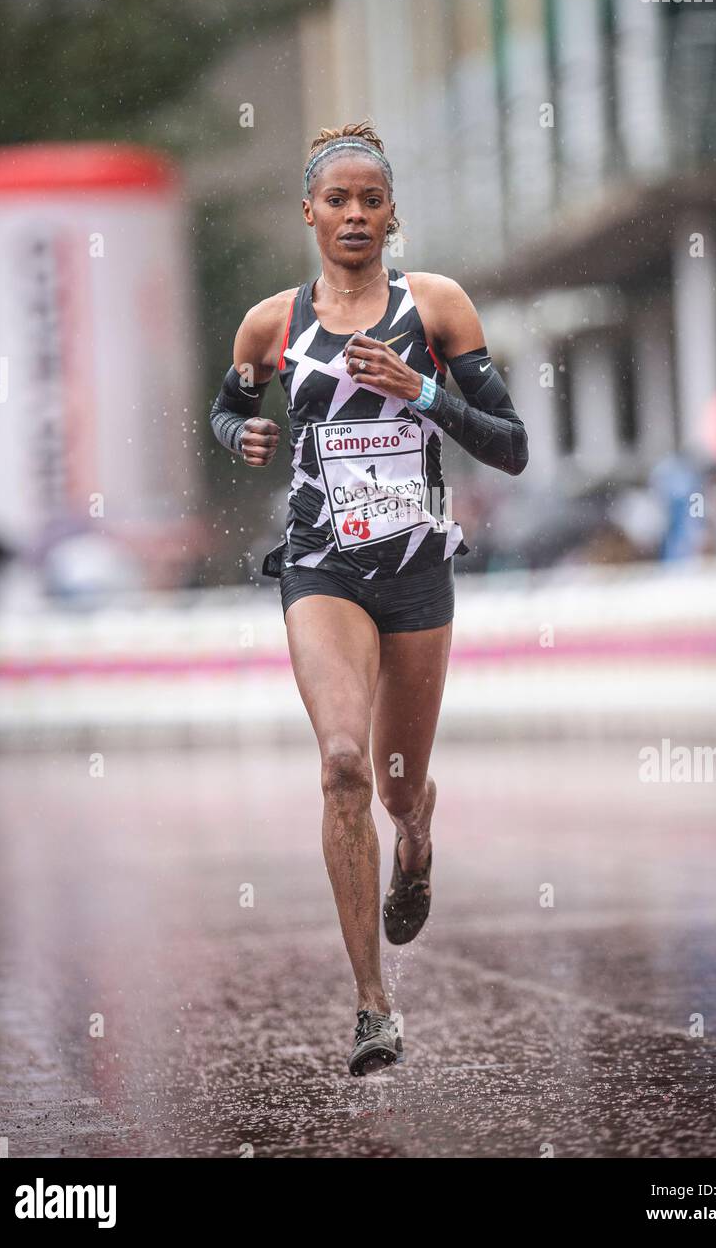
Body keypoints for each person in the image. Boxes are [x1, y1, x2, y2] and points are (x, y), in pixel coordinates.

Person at [210, 121, 528, 1075]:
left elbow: (510, 445)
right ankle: (372, 1006)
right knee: (344, 763)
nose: (355, 214)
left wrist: (424, 393)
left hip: (417, 568)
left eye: (371, 200)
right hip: (322, 566)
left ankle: (417, 841)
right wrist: (241, 439)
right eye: (337, 200)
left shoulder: (435, 308)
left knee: (394, 787)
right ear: (308, 212)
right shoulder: (272, 323)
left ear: (393, 213)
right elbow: (229, 406)